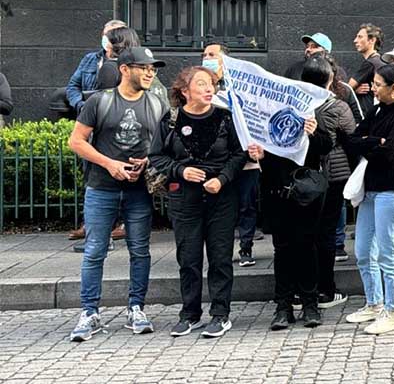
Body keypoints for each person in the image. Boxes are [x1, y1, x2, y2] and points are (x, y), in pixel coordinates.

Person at [66, 46, 168, 342]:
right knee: (95, 250)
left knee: (140, 251)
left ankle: (136, 307)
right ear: (125, 69)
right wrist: (109, 164)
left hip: (138, 190)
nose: (150, 72)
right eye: (144, 67)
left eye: (153, 68)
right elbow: (77, 141)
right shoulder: (100, 101)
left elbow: (163, 146)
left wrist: (148, 162)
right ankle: (89, 312)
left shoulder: (157, 104)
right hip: (102, 187)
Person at [149, 66, 247, 338]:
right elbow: (156, 156)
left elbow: (239, 155)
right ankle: (190, 314)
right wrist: (181, 171)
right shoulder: (170, 119)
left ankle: (220, 314)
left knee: (220, 257)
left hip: (221, 196)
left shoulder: (226, 118)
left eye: (212, 84)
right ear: (184, 90)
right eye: (202, 84)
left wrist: (223, 179)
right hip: (185, 198)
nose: (209, 89)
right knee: (188, 257)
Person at [252, 58, 335, 331]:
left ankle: (310, 304)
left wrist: (312, 133)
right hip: (278, 192)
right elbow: (259, 149)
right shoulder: (268, 115)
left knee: (307, 248)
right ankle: (283, 306)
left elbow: (326, 145)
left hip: (306, 193)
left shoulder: (310, 112)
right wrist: (259, 154)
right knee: (283, 250)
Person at [342, 64, 394, 334]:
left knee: (388, 253)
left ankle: (393, 309)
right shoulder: (376, 109)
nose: (373, 88)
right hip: (371, 188)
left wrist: (369, 142)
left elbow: (393, 153)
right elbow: (352, 141)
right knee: (363, 251)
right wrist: (376, 141)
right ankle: (374, 302)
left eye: (378, 84)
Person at [201, 42, 265, 268]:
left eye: (212, 55)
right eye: (205, 54)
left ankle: (245, 247)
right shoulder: (200, 86)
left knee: (246, 204)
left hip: (245, 158)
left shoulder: (240, 85)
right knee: (221, 207)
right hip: (217, 162)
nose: (206, 58)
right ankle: (222, 249)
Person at [308, 53, 357, 309]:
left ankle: (303, 289)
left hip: (302, 178)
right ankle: (326, 290)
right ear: (330, 80)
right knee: (326, 233)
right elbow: (352, 139)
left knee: (306, 233)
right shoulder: (338, 106)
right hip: (333, 176)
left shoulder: (295, 103)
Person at [65, 19, 127, 117]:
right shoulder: (90, 59)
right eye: (105, 34)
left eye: (111, 34)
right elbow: (73, 86)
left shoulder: (129, 62)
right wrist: (80, 105)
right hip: (88, 117)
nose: (106, 38)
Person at [347, 23, 385, 111]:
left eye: (360, 37)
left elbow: (347, 89)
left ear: (372, 40)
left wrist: (353, 91)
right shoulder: (379, 61)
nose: (355, 40)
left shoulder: (370, 63)